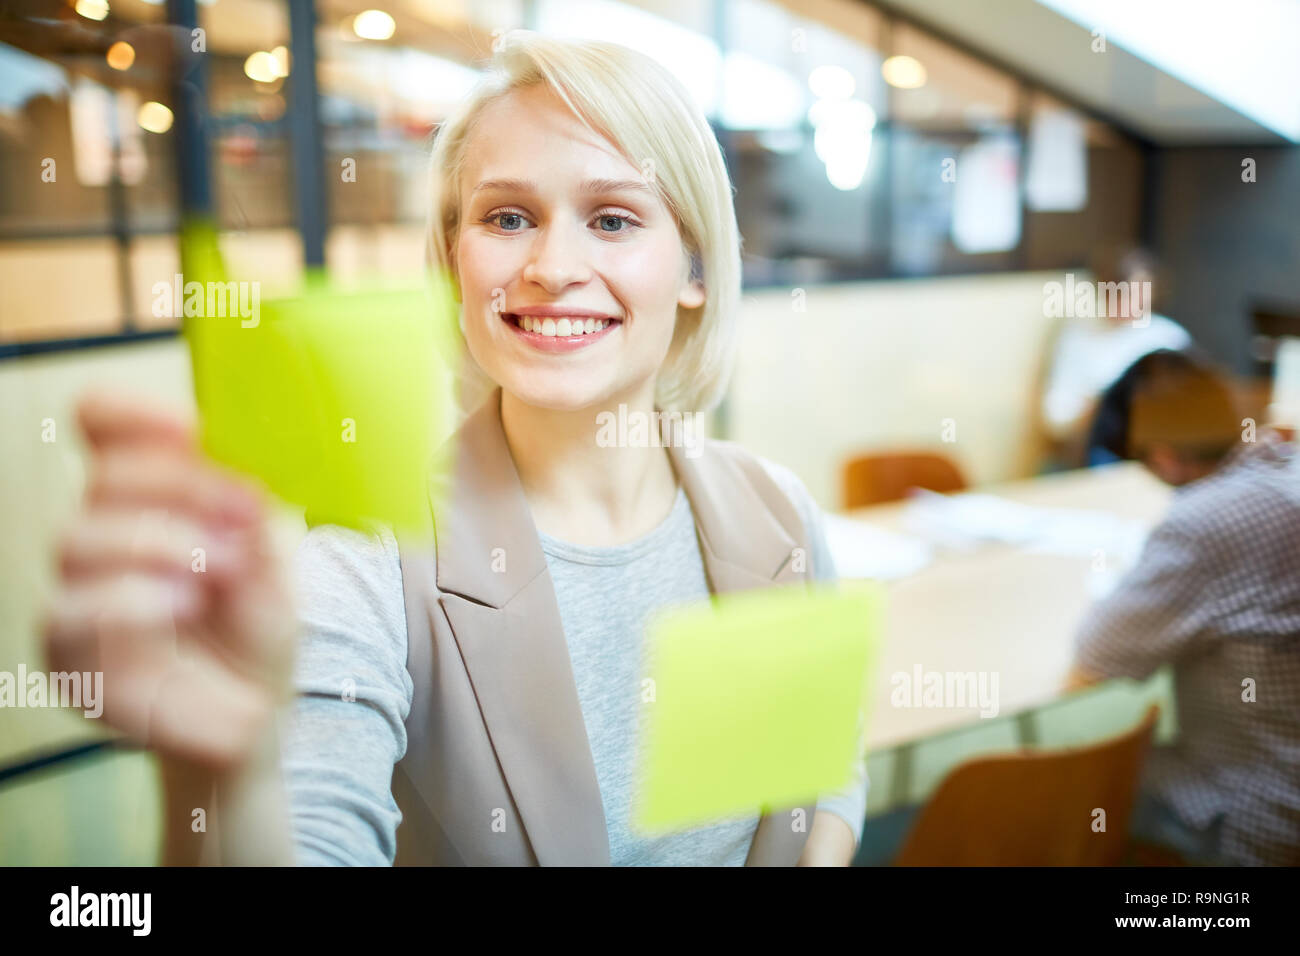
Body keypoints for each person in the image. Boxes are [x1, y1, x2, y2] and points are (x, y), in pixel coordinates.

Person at [42, 31, 867, 866]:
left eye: (613, 218)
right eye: (508, 218)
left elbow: (826, 770)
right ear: (453, 264)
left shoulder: (776, 513)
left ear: (693, 268)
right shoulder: (366, 564)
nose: (551, 265)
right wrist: (228, 781)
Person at [1065, 349, 1300, 866]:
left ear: (1166, 455)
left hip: (1257, 812)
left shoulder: (1206, 522)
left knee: (1071, 788)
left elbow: (1097, 658)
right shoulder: (1287, 468)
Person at [1040, 246, 1193, 468]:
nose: (1131, 304)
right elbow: (1054, 416)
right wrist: (1090, 412)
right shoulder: (1080, 334)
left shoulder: (1169, 338)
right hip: (1096, 450)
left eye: (1140, 295)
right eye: (1122, 294)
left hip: (1157, 453)